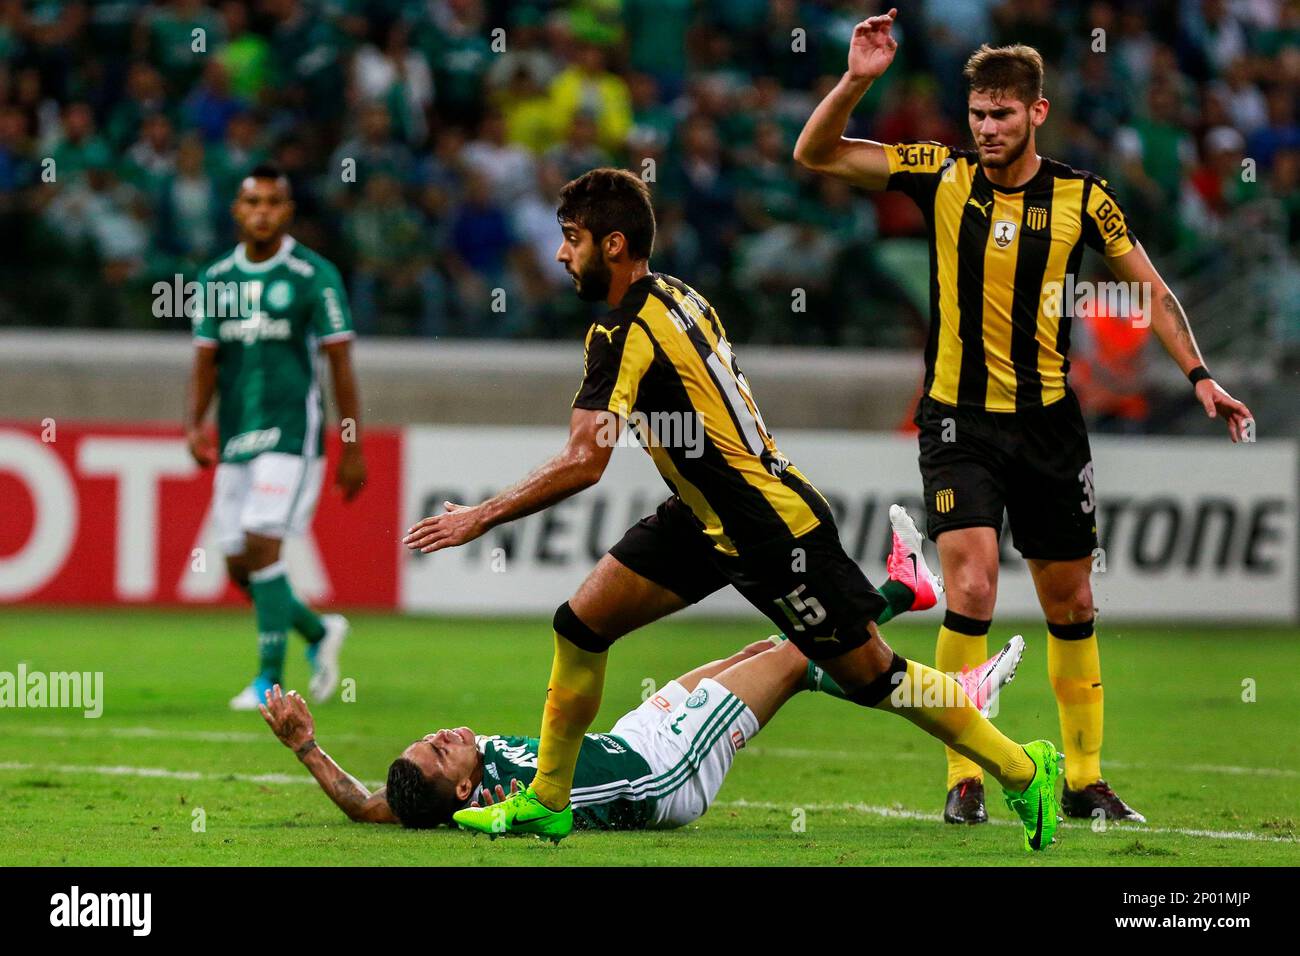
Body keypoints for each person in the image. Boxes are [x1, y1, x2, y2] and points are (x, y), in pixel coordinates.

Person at [403, 167, 1063, 852]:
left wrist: (480, 517)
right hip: (703, 517)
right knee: (581, 625)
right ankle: (547, 799)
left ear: (616, 244)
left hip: (768, 529)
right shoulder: (680, 296)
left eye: (572, 240)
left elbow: (583, 461)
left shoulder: (621, 331)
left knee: (875, 678)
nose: (562, 254)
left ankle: (1023, 767)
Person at [792, 10, 1253, 824]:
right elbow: (816, 153)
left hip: (1047, 425)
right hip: (957, 421)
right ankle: (965, 774)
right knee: (970, 581)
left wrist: (1200, 375)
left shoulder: (1083, 197)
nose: (987, 128)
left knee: (1071, 603)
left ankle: (1083, 780)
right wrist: (858, 80)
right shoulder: (941, 173)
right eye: (977, 114)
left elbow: (1148, 287)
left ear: (1036, 112)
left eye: (1002, 114)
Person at [262, 522, 1028, 832]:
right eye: (439, 753)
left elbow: (367, 806)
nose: (438, 737)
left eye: (426, 741)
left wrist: (306, 746)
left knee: (766, 648)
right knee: (797, 653)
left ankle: (916, 617)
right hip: (664, 773)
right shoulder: (494, 801)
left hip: (635, 735)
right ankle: (919, 631)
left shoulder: (433, 791)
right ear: (467, 790)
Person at [184, 163, 367, 710]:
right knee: (238, 562)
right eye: (252, 202)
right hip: (237, 433)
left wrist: (351, 445)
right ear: (237, 211)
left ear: (287, 212)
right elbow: (205, 361)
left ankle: (268, 680)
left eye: (273, 202)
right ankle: (317, 631)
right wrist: (195, 424)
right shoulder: (215, 280)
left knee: (264, 543)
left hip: (292, 432)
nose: (262, 212)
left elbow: (340, 364)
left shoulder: (314, 276)